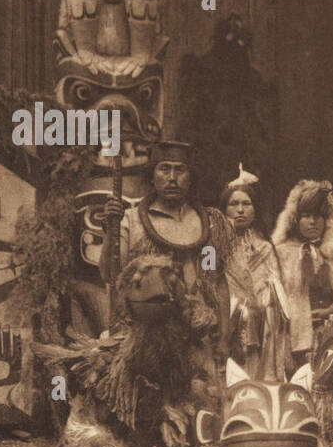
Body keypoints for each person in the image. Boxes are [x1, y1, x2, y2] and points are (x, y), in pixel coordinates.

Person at [103, 140, 237, 359]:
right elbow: (110, 274)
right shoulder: (131, 221)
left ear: (191, 177)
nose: (172, 178)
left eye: (180, 170)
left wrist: (223, 337)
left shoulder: (210, 225)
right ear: (152, 176)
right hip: (144, 341)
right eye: (164, 169)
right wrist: (111, 229)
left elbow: (216, 280)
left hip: (197, 338)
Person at [272, 180, 333, 369]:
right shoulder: (280, 253)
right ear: (294, 219)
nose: (312, 222)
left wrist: (332, 310)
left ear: (327, 220)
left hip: (332, 334)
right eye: (306, 216)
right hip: (294, 339)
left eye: (318, 216)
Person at [222, 165, 292, 379]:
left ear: (255, 209)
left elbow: (276, 290)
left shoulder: (265, 248)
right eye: (234, 204)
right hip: (227, 324)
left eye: (246, 204)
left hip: (262, 328)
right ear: (224, 209)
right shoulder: (213, 248)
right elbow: (207, 282)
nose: (240, 210)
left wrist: (261, 305)